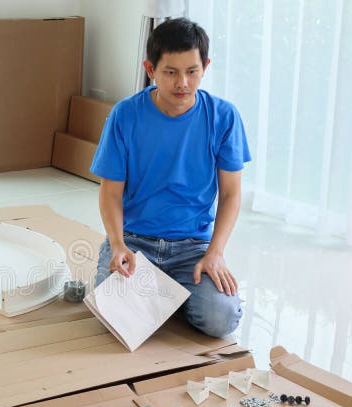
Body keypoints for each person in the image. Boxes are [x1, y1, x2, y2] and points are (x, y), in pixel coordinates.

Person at [91, 17, 251, 338]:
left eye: (192, 71)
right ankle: (160, 295)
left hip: (193, 247)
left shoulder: (224, 116)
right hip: (135, 241)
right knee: (114, 317)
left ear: (205, 66)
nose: (183, 84)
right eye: (171, 72)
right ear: (150, 69)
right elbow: (110, 192)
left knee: (221, 320)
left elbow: (232, 194)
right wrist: (119, 245)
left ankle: (167, 296)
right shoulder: (125, 114)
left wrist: (215, 253)